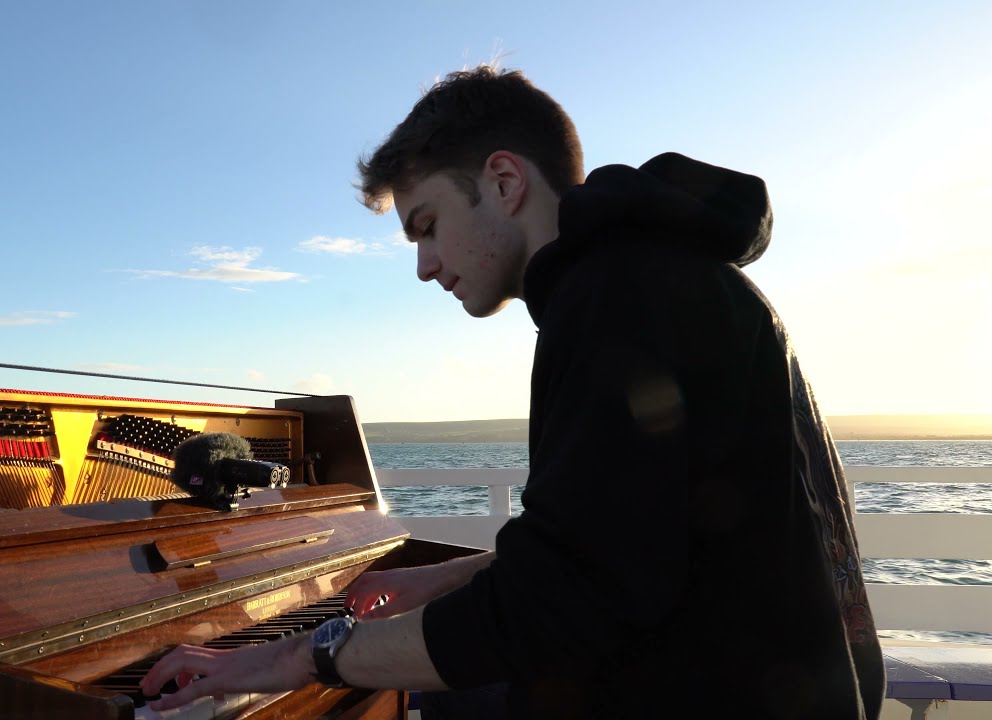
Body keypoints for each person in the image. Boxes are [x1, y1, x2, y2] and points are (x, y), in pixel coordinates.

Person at [140, 65, 885, 719]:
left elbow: (557, 605)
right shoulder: (659, 275)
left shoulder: (615, 297)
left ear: (503, 181)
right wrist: (444, 578)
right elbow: (627, 540)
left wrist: (286, 658)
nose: (426, 266)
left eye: (427, 226)